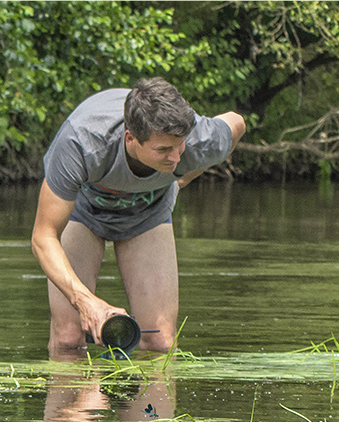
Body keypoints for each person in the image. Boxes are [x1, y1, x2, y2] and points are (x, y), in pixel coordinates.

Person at [31, 77, 245, 358]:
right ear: (130, 138)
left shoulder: (197, 140)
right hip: (84, 209)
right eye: (163, 150)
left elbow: (237, 123)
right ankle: (78, 400)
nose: (175, 157)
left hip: (149, 212)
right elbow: (42, 237)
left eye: (179, 146)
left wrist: (181, 179)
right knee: (69, 337)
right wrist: (86, 302)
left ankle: (146, 405)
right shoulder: (81, 142)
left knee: (160, 343)